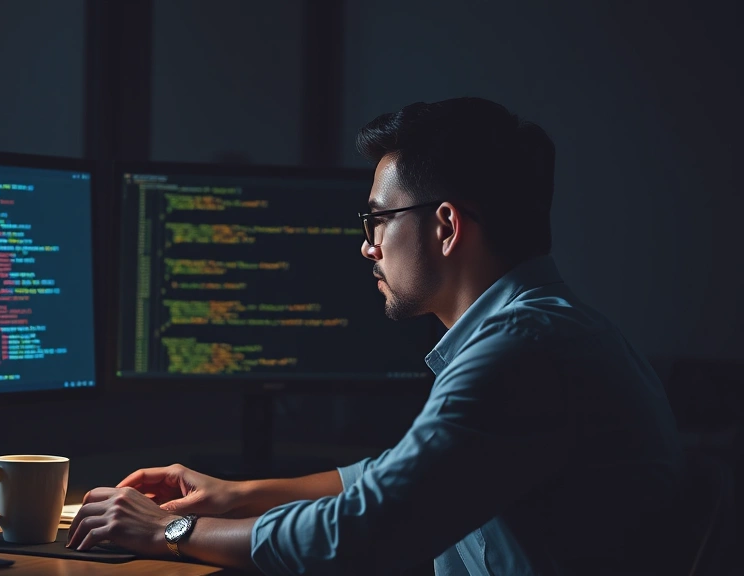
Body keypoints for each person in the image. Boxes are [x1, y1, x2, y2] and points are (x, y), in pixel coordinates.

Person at [67, 97, 684, 575]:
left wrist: (165, 533)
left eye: (378, 219)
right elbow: (392, 476)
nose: (367, 245)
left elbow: (360, 533)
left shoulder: (520, 349)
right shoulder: (548, 327)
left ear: (445, 226)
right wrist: (233, 495)